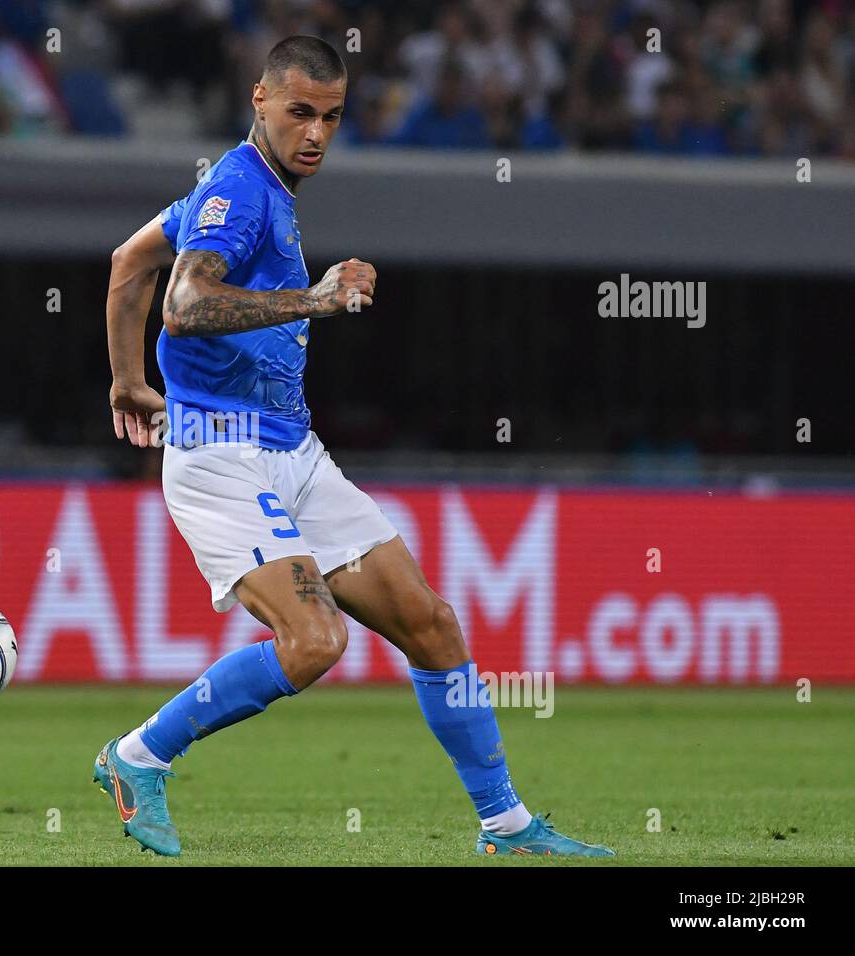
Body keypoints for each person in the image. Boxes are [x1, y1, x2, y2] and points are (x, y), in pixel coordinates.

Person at [97, 35, 614, 859]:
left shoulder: (242, 185)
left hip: (292, 451)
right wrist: (317, 298)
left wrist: (126, 379)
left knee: (432, 626)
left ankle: (506, 826)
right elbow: (185, 303)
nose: (316, 133)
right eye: (299, 111)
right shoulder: (238, 187)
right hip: (220, 454)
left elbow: (130, 263)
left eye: (331, 116)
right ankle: (135, 757)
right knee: (316, 643)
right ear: (259, 100)